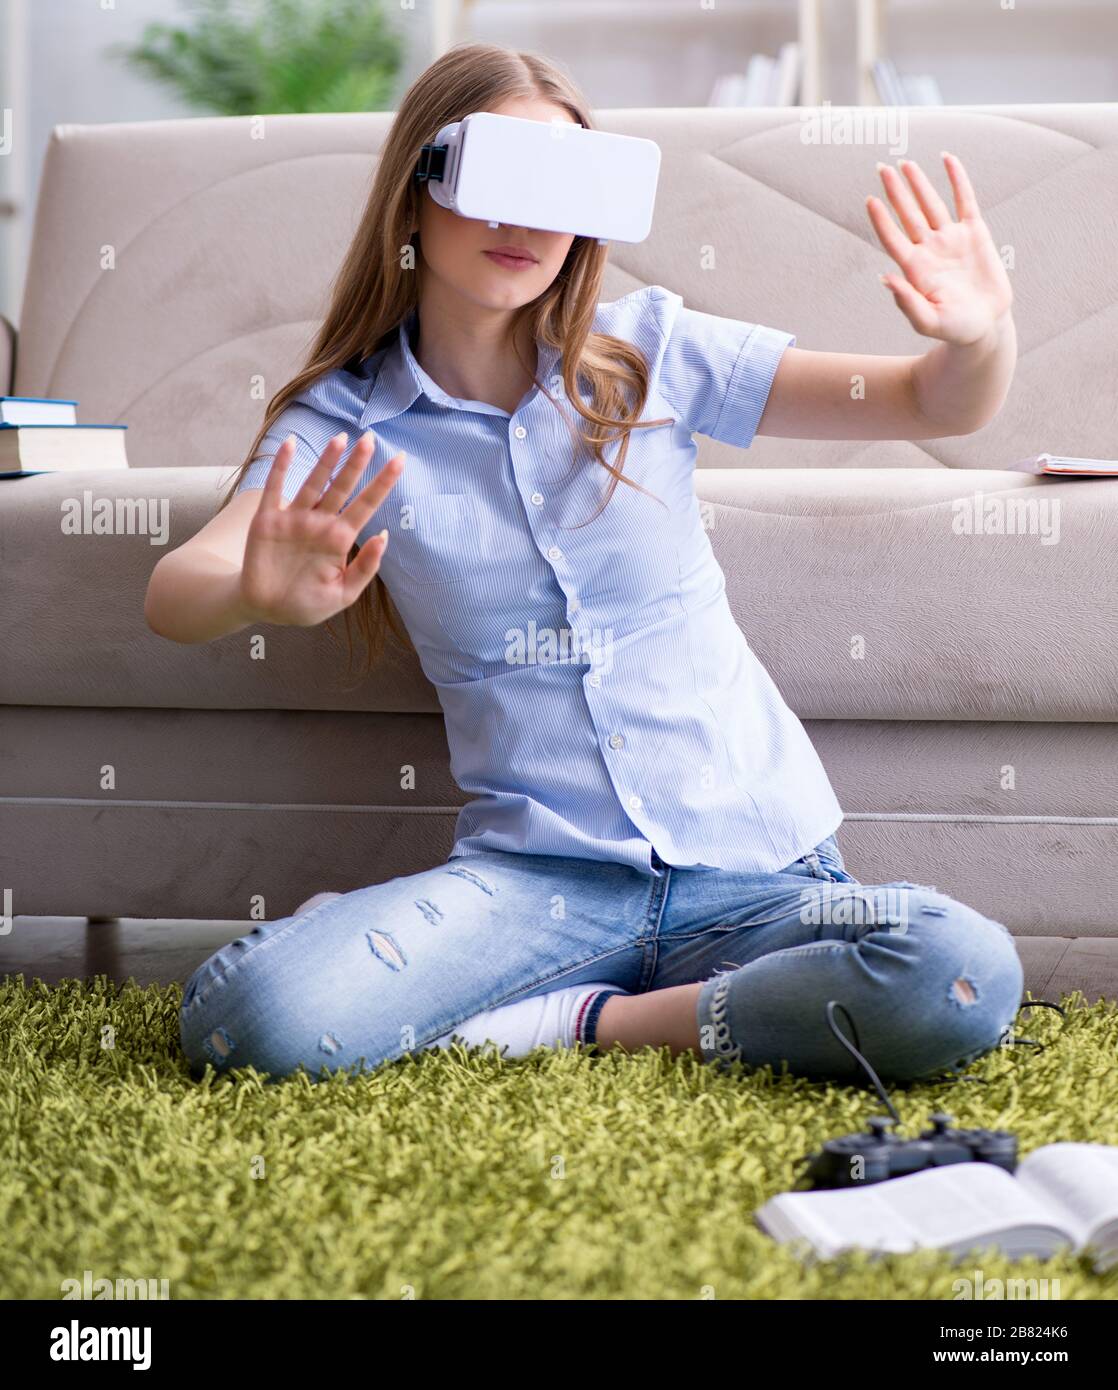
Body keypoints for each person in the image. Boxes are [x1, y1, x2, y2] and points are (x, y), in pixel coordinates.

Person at [145, 43, 1024, 1084]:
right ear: (416, 192)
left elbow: (931, 402)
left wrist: (977, 336)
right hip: (530, 887)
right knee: (252, 1021)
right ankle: (557, 989)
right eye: (497, 183)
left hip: (760, 877)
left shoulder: (651, 350)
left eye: (559, 192)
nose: (525, 225)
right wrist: (253, 586)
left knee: (955, 969)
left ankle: (575, 1023)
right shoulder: (343, 418)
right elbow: (174, 592)